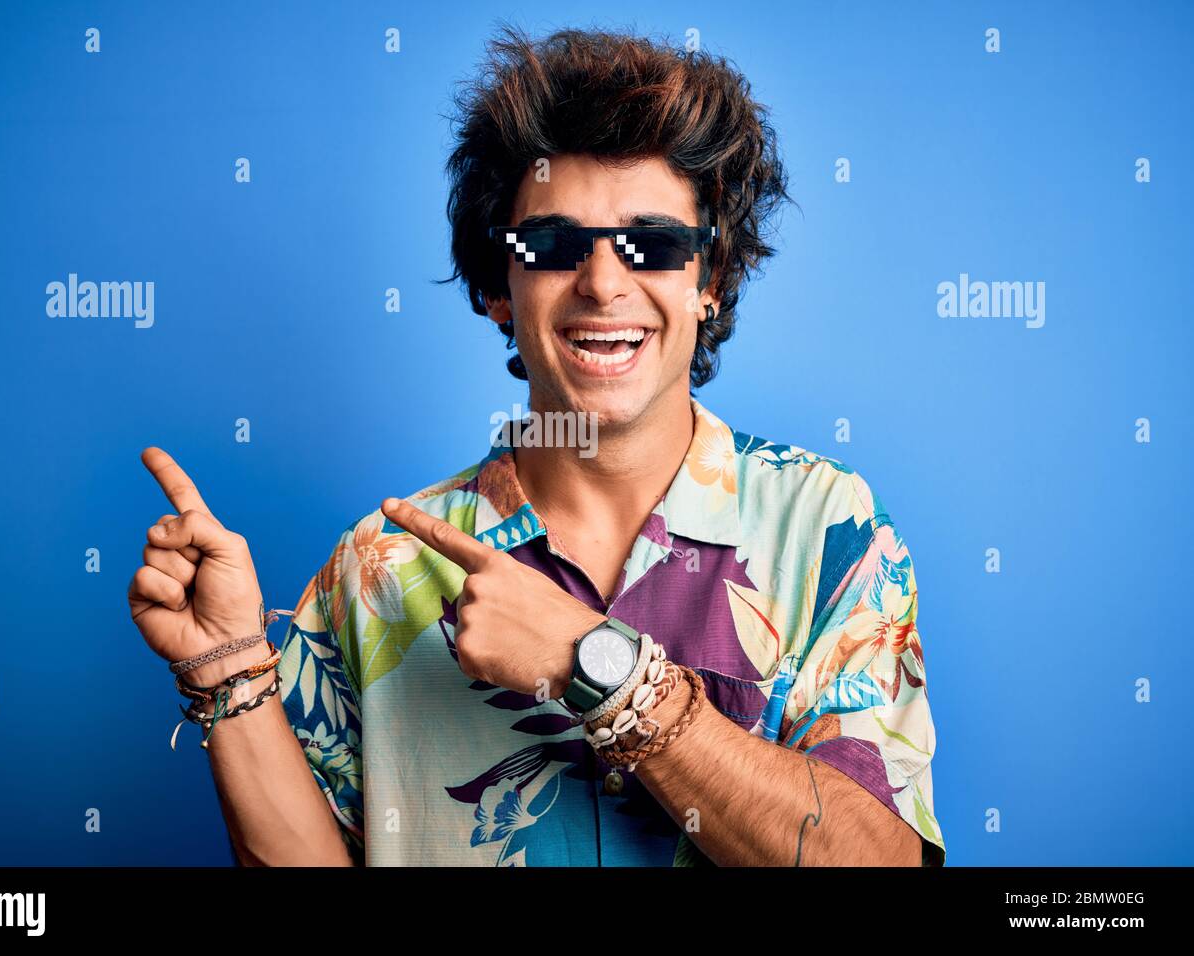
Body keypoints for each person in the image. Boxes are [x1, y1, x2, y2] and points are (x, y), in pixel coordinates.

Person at [128, 25, 944, 867]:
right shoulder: (380, 571)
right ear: (495, 290)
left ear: (711, 281)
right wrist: (227, 670)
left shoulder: (826, 528)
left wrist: (596, 667)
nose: (602, 282)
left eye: (654, 244)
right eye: (553, 246)